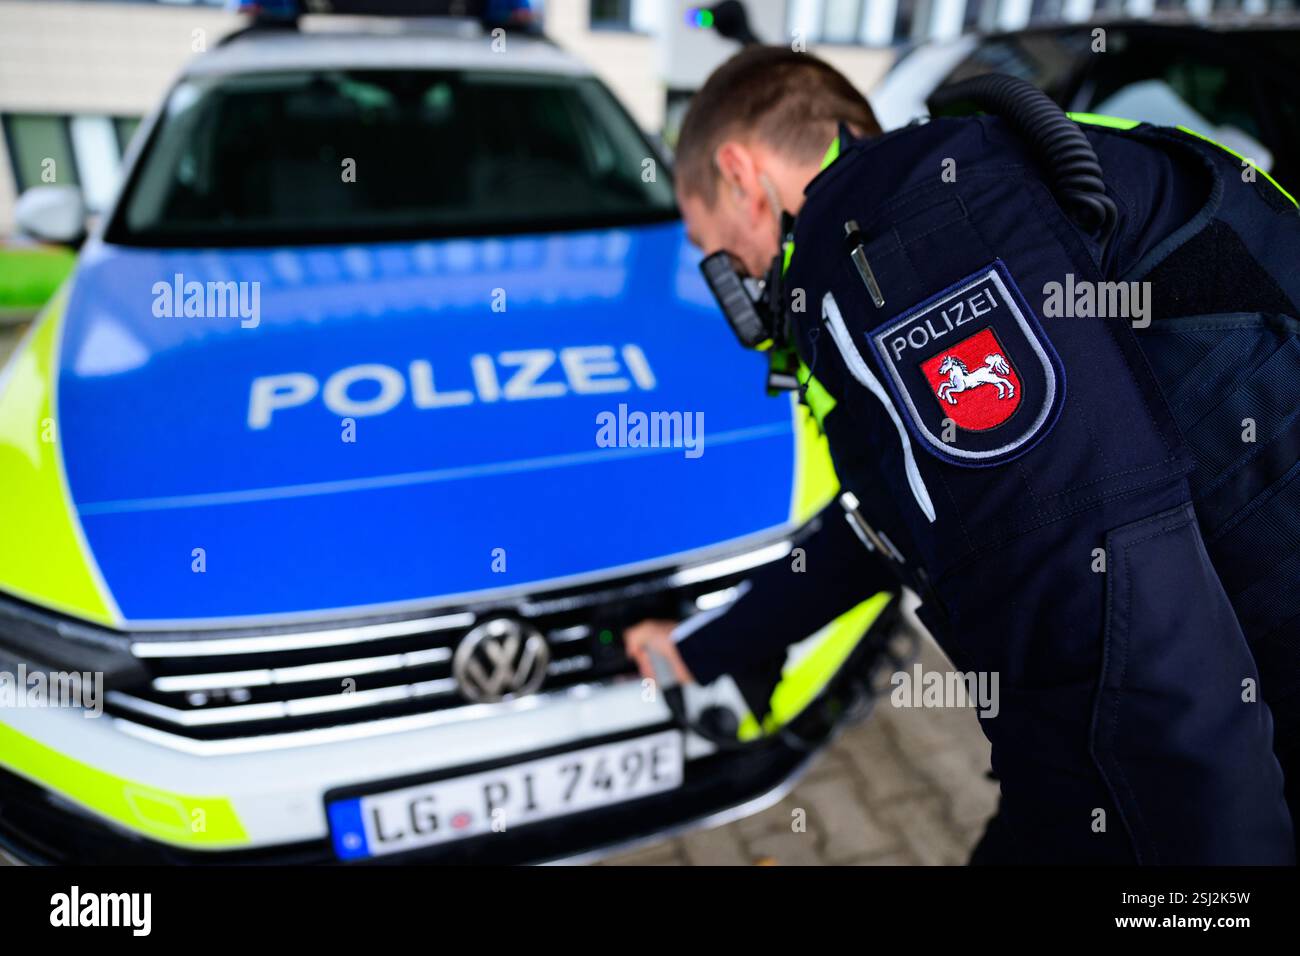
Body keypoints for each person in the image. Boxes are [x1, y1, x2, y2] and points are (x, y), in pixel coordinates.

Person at [625, 45, 1300, 864]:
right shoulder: (947, 203)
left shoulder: (892, 235)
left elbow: (1107, 608)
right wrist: (699, 651)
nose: (739, 279)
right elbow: (881, 529)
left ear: (741, 174)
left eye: (716, 247)